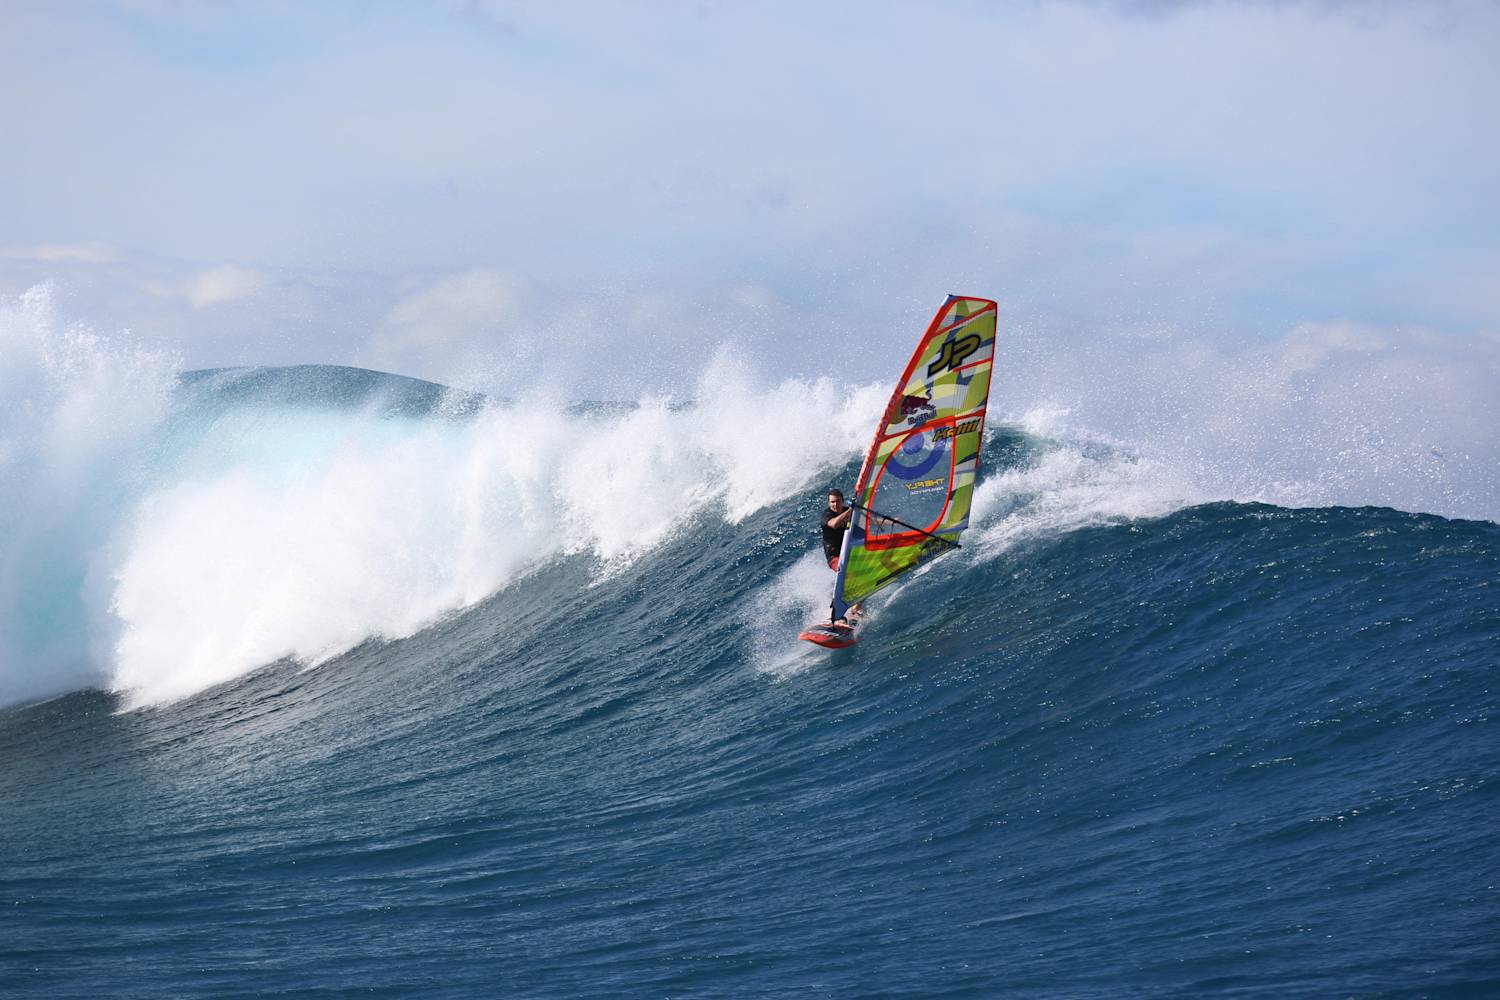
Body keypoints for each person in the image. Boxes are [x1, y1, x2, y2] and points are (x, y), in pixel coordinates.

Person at [820, 489, 862, 622]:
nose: (835, 504)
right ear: (828, 503)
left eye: (838, 501)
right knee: (845, 572)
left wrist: (891, 522)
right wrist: (850, 511)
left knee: (864, 577)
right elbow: (834, 524)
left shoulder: (849, 510)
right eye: (832, 502)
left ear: (842, 501)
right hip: (834, 557)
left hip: (850, 554)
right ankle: (836, 612)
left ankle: (855, 610)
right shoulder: (826, 515)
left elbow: (869, 521)